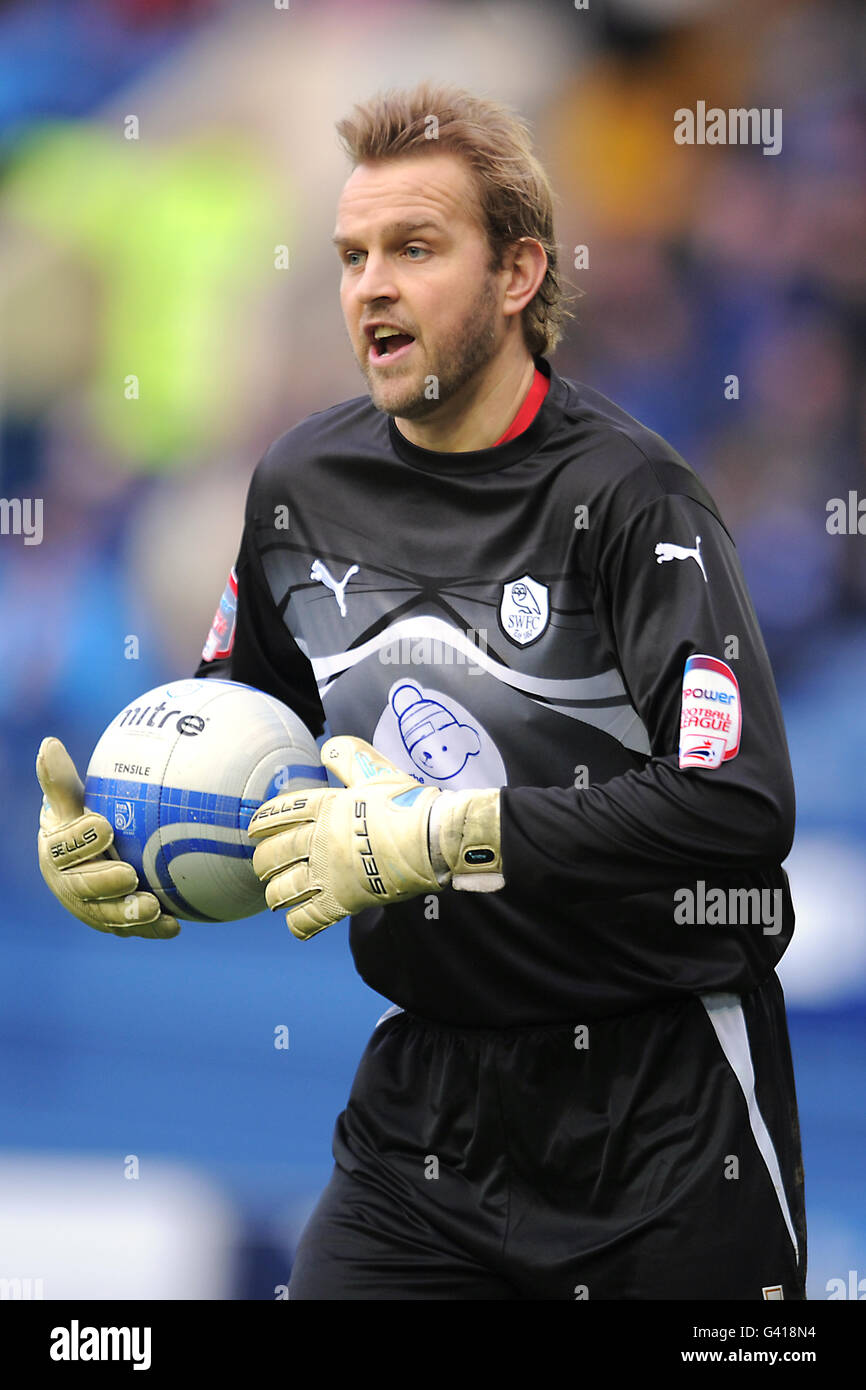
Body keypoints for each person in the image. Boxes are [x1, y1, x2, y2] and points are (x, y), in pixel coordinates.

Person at [37, 82, 807, 1301]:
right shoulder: (300, 484)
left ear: (516, 274)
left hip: (660, 1115)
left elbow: (737, 807)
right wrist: (119, 847)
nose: (369, 287)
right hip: (422, 1124)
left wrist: (444, 834)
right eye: (350, 256)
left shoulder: (634, 499)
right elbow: (242, 735)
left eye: (412, 249)